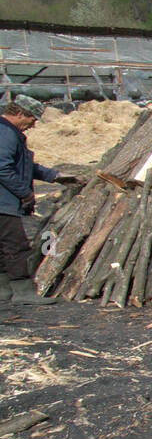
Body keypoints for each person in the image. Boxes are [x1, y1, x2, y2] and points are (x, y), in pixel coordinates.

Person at [0, 95, 69, 305]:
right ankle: (23, 292)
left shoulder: (11, 132)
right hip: (4, 201)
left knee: (3, 244)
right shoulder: (6, 133)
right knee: (15, 244)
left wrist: (54, 176)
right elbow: (2, 167)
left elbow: (24, 166)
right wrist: (25, 193)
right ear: (20, 113)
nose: (33, 124)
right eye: (32, 119)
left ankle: (4, 291)